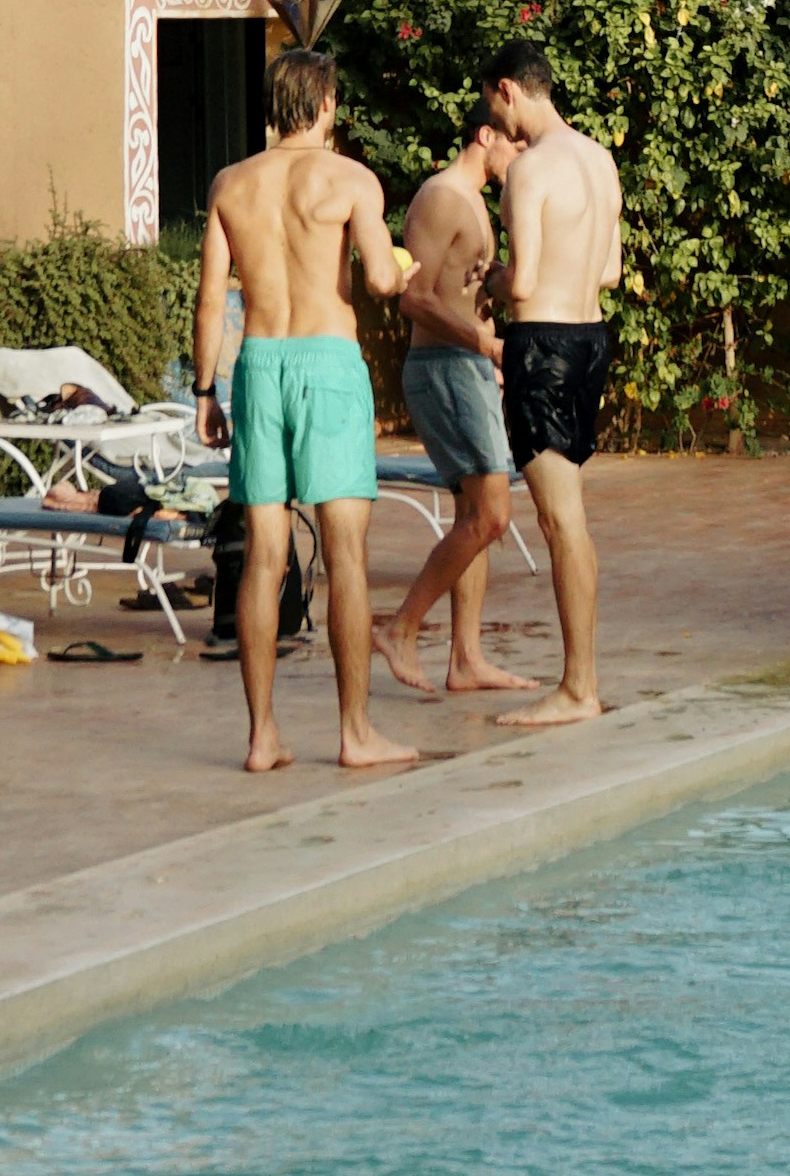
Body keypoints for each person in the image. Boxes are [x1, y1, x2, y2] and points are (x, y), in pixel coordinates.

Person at [192, 51, 422, 778]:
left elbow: (208, 301)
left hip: (258, 364)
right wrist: (408, 264)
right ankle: (355, 731)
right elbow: (383, 278)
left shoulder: (231, 184)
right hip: (326, 362)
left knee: (264, 555)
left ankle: (262, 736)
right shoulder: (351, 179)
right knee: (345, 552)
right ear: (324, 103)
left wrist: (205, 390)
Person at [376, 97, 535, 699]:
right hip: (446, 365)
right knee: (493, 513)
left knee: (476, 516)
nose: (520, 153)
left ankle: (465, 658)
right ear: (486, 134)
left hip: (465, 363)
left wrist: (496, 288)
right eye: (514, 142)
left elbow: (457, 289)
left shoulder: (475, 202)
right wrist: (485, 346)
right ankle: (401, 627)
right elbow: (412, 299)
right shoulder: (442, 197)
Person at [484, 45, 623, 730]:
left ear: (507, 90)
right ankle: (580, 680)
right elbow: (610, 271)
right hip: (592, 339)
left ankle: (577, 686)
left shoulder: (529, 171)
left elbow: (527, 281)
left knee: (561, 521)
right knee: (567, 518)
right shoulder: (599, 158)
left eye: (492, 104)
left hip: (542, 346)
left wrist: (489, 276)